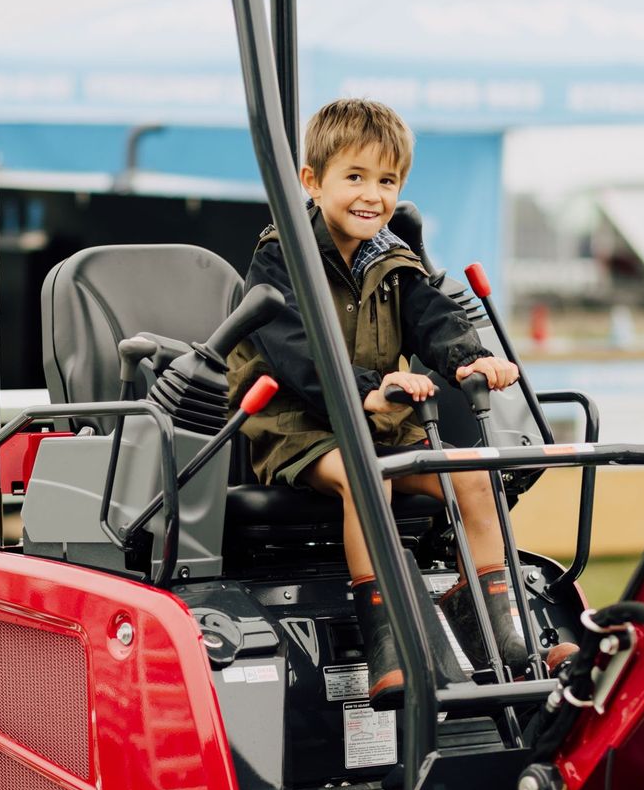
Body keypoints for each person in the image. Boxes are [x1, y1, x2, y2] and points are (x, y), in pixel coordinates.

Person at [226, 97, 528, 706]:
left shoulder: (391, 257)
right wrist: (370, 390)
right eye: (355, 177)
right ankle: (387, 641)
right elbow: (295, 354)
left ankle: (496, 627)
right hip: (296, 424)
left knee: (471, 476)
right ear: (312, 182)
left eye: (386, 181)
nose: (372, 195)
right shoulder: (281, 257)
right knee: (370, 481)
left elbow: (432, 316)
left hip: (377, 423)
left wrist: (467, 359)